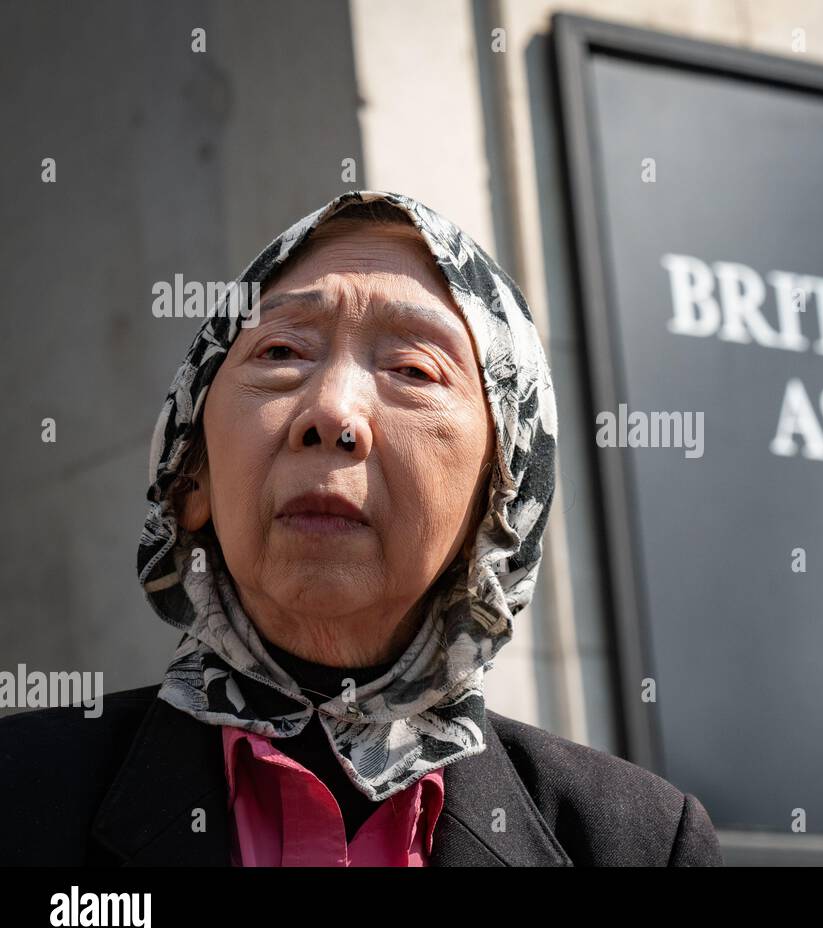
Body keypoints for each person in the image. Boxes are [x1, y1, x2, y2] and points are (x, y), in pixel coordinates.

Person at [0, 191, 723, 867]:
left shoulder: (639, 843)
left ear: (502, 498)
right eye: (280, 353)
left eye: (413, 368)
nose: (332, 414)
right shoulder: (22, 794)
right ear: (192, 475)